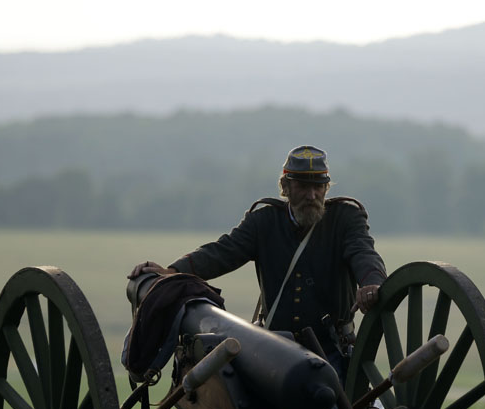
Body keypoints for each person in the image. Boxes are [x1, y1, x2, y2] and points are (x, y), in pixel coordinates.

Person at [129, 145, 387, 380]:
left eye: (318, 187)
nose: (311, 195)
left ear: (326, 188)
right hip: (276, 347)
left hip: (332, 348)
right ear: (285, 187)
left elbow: (363, 253)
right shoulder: (264, 222)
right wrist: (172, 272)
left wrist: (371, 283)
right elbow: (222, 252)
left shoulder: (345, 219)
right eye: (302, 186)